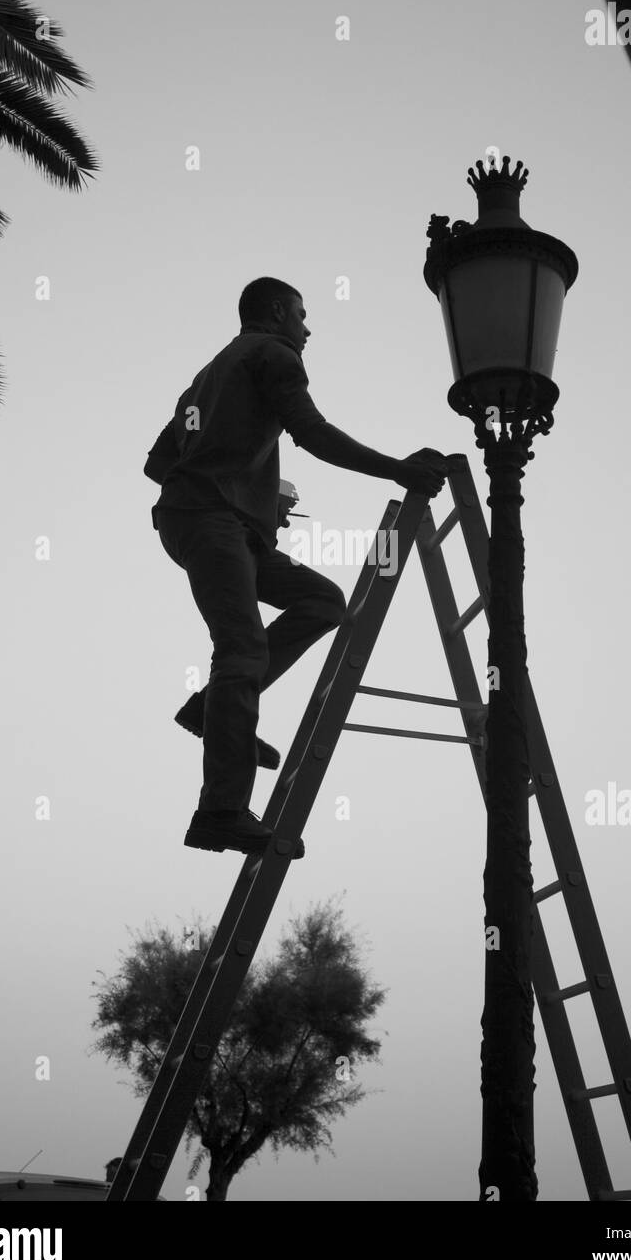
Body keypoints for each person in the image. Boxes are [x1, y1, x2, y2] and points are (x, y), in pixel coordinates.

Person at [144, 276, 449, 855]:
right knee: (242, 649)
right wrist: (397, 469)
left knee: (323, 602)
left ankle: (212, 711)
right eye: (303, 316)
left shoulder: (208, 375)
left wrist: (238, 489)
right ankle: (220, 811)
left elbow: (159, 465)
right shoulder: (274, 354)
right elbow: (312, 434)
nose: (308, 330)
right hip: (214, 522)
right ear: (279, 312)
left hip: (212, 523)